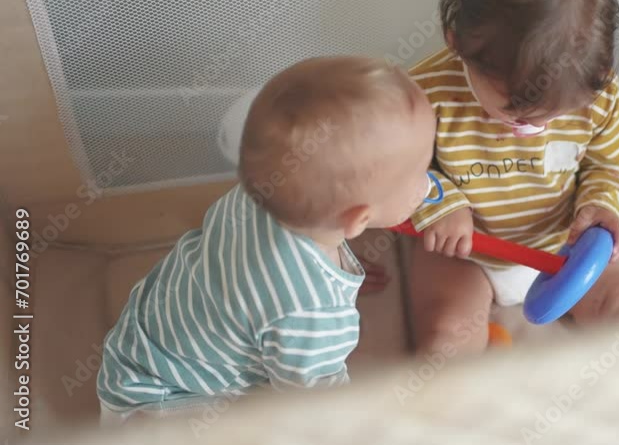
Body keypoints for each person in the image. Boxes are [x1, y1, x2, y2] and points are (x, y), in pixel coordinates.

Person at [97, 57, 437, 424]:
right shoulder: (313, 314)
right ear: (359, 219)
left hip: (140, 345)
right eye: (420, 172)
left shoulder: (257, 196)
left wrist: (337, 269)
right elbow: (317, 405)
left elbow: (274, 281)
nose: (430, 182)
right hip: (164, 410)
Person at [407, 0, 619, 356]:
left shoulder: (597, 92)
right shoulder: (425, 93)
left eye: (552, 114)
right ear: (457, 44)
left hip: (560, 243)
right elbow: (396, 169)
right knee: (445, 332)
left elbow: (610, 161)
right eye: (515, 113)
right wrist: (440, 201)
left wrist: (600, 206)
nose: (533, 129)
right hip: (467, 250)